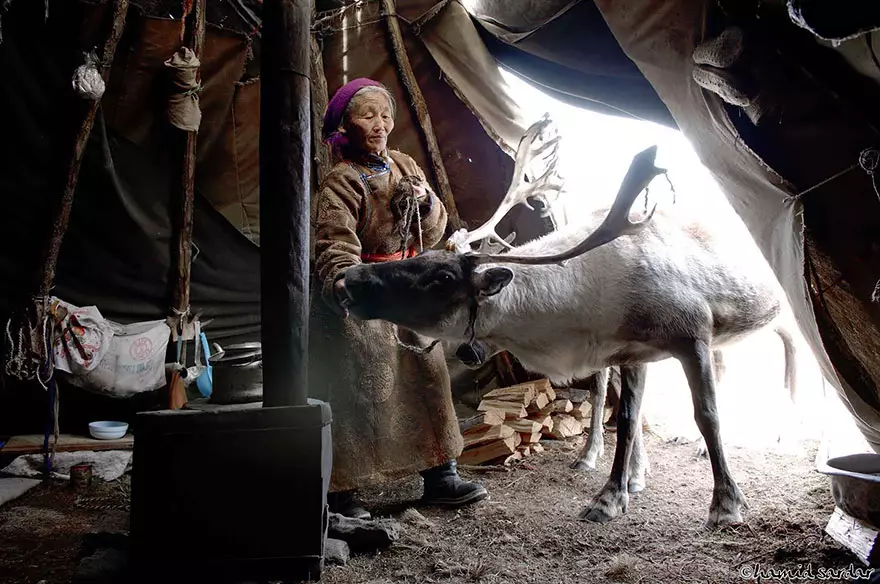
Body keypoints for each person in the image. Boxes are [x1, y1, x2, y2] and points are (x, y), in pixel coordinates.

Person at [309, 78, 488, 520]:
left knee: (428, 377)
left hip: (411, 290)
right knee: (362, 388)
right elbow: (334, 240)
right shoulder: (342, 180)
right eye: (367, 115)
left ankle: (440, 474)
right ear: (346, 124)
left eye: (385, 115)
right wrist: (346, 282)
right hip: (369, 291)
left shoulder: (406, 165)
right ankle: (344, 492)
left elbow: (433, 233)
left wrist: (427, 204)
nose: (379, 124)